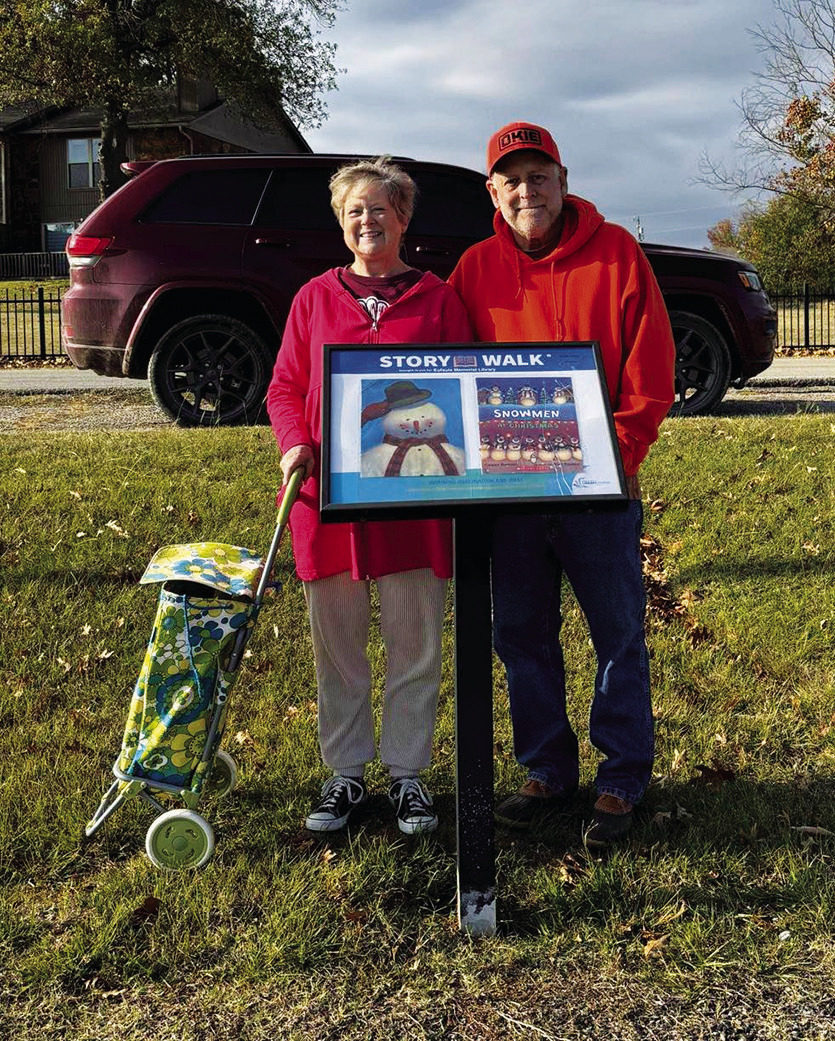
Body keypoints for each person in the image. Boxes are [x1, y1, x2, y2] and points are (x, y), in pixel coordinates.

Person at [449, 121, 675, 845]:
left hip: (598, 492)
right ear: (493, 191)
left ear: (563, 179)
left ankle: (621, 777)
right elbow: (450, 375)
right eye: (511, 180)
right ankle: (546, 769)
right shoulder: (474, 268)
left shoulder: (618, 254)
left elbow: (652, 368)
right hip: (508, 495)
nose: (526, 191)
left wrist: (620, 454)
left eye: (538, 176)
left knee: (617, 632)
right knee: (521, 635)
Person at [267, 156, 472, 836]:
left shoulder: (439, 299)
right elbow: (285, 387)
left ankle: (410, 775)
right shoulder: (312, 298)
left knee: (414, 641)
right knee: (339, 646)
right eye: (354, 210)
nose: (366, 220)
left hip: (412, 499)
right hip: (326, 501)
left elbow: (464, 388)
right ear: (341, 222)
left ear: (403, 217)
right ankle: (346, 774)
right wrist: (294, 440)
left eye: (379, 209)